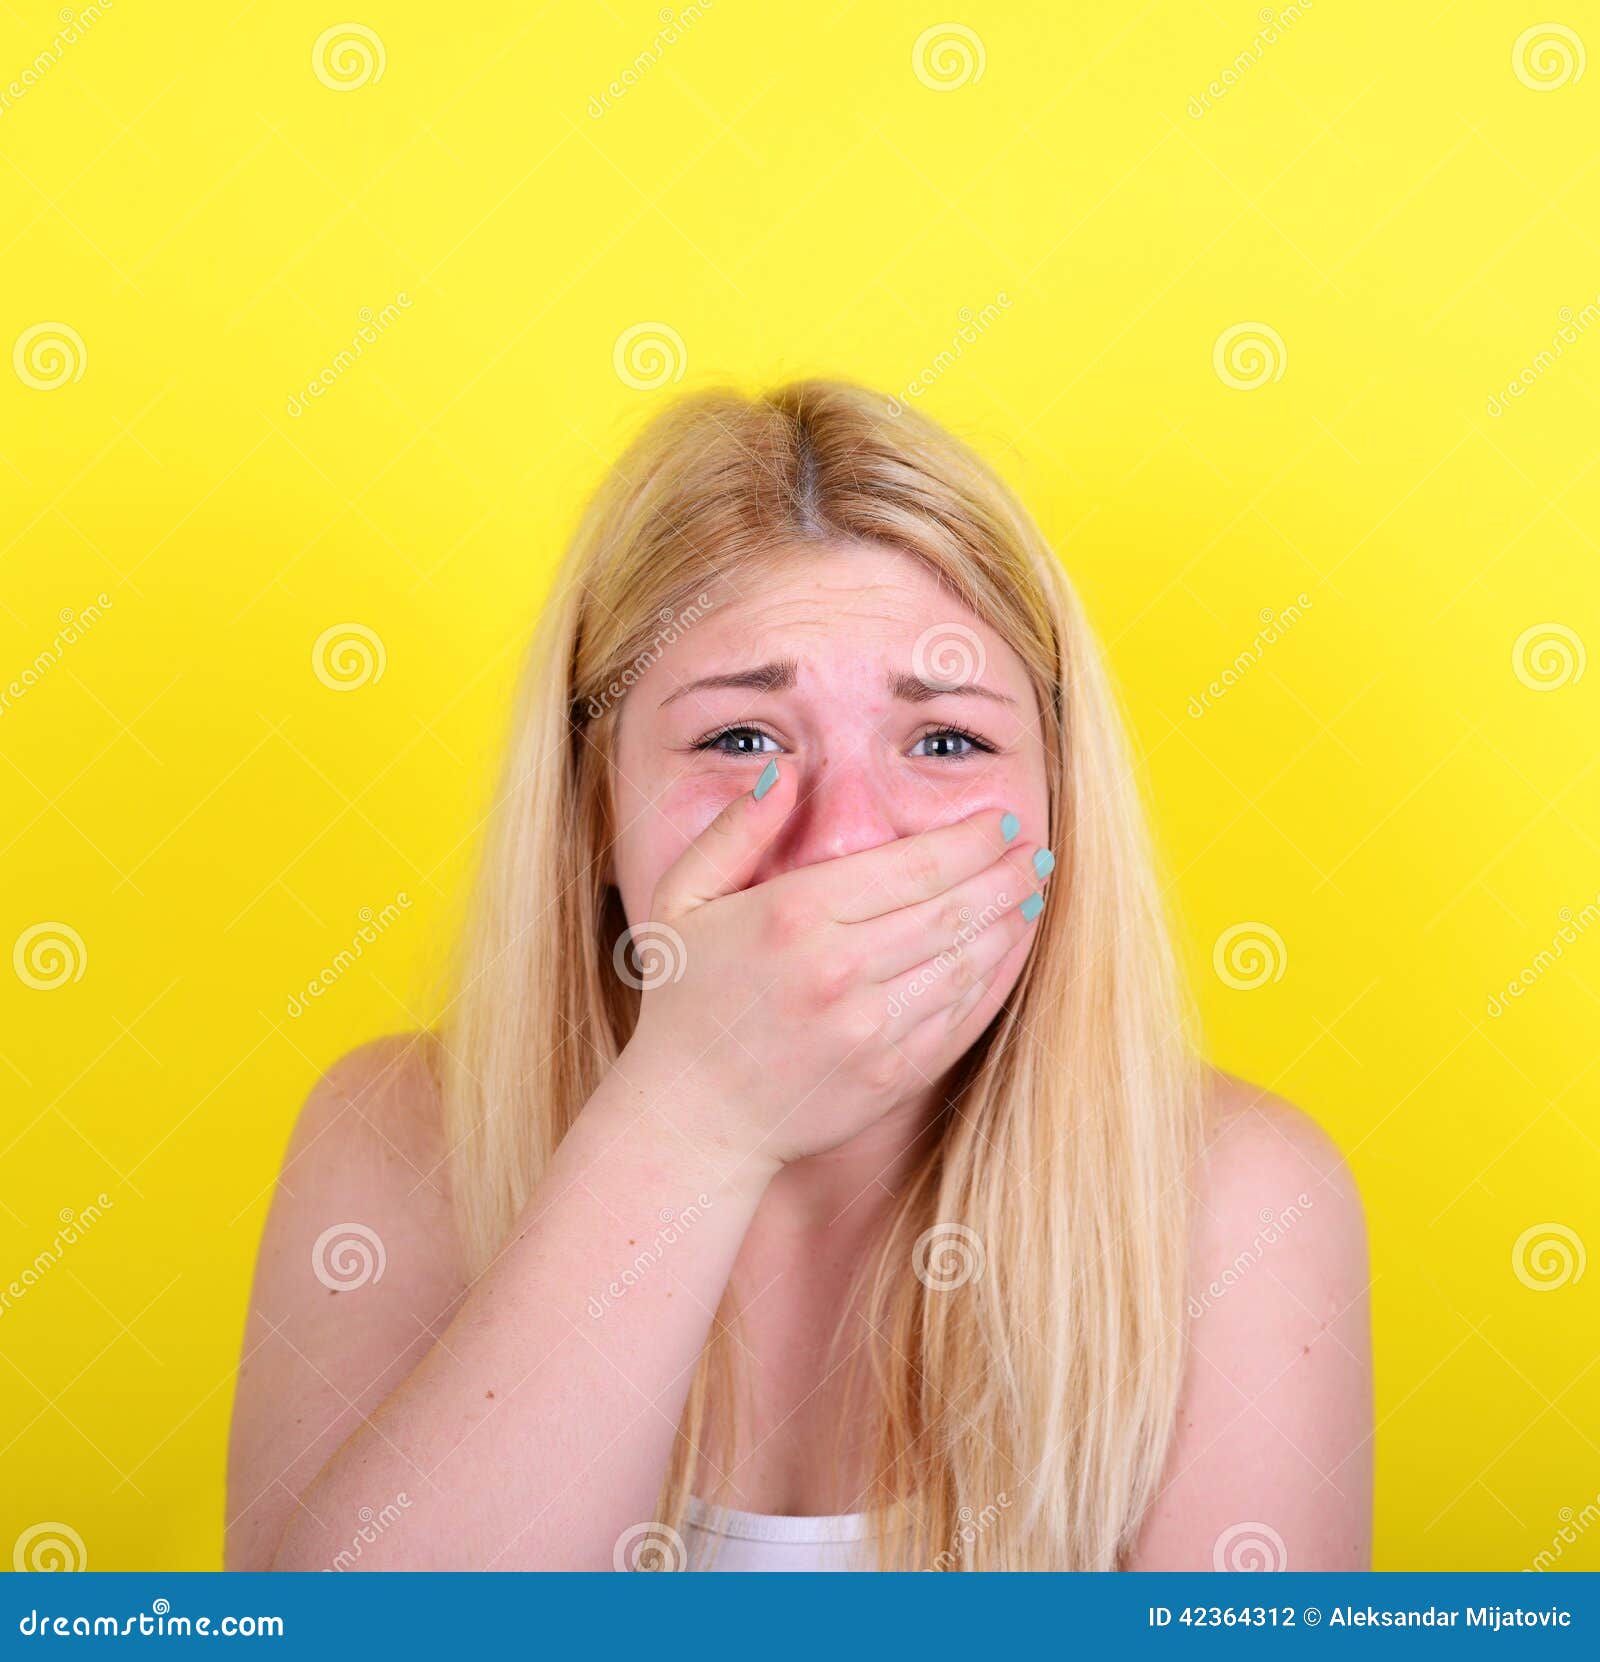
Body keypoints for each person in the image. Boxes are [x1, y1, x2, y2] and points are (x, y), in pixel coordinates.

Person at [226, 379, 1372, 1571]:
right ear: (591, 810)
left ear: (1060, 812)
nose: (840, 841)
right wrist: (691, 1119)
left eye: (945, 740)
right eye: (740, 739)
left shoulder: (1237, 1200)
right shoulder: (400, 1143)